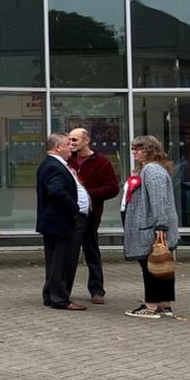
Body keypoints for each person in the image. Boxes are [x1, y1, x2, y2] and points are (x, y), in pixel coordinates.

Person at [122, 136, 180, 319]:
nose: (134, 152)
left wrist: (160, 226)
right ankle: (164, 304)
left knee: (152, 266)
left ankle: (151, 306)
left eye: (139, 149)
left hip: (151, 228)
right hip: (151, 227)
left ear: (151, 150)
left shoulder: (152, 170)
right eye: (133, 149)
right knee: (161, 265)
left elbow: (158, 199)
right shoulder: (150, 168)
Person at [36, 133, 88, 311]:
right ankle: (59, 298)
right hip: (60, 221)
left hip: (58, 221)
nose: (71, 147)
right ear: (58, 147)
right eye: (68, 144)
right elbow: (56, 191)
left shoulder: (56, 165)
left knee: (56, 261)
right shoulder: (53, 166)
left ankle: (52, 294)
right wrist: (74, 208)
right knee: (61, 261)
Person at [67, 128, 119, 305]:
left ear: (86, 140)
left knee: (92, 252)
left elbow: (112, 188)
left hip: (91, 215)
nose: (72, 143)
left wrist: (88, 194)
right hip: (70, 214)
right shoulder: (68, 160)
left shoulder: (101, 162)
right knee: (68, 254)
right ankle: (64, 290)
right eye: (70, 140)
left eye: (75, 140)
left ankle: (97, 290)